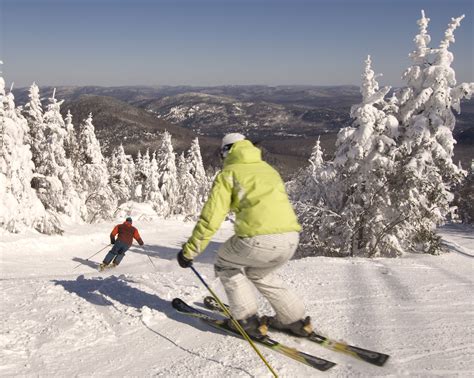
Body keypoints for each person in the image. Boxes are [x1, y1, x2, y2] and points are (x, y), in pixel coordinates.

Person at [177, 133, 313, 338]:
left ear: (227, 151)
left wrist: (189, 251)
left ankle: (247, 320)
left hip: (258, 239)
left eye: (222, 153)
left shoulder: (229, 174)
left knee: (225, 264)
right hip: (291, 238)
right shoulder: (268, 169)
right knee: (261, 273)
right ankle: (295, 321)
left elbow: (211, 218)